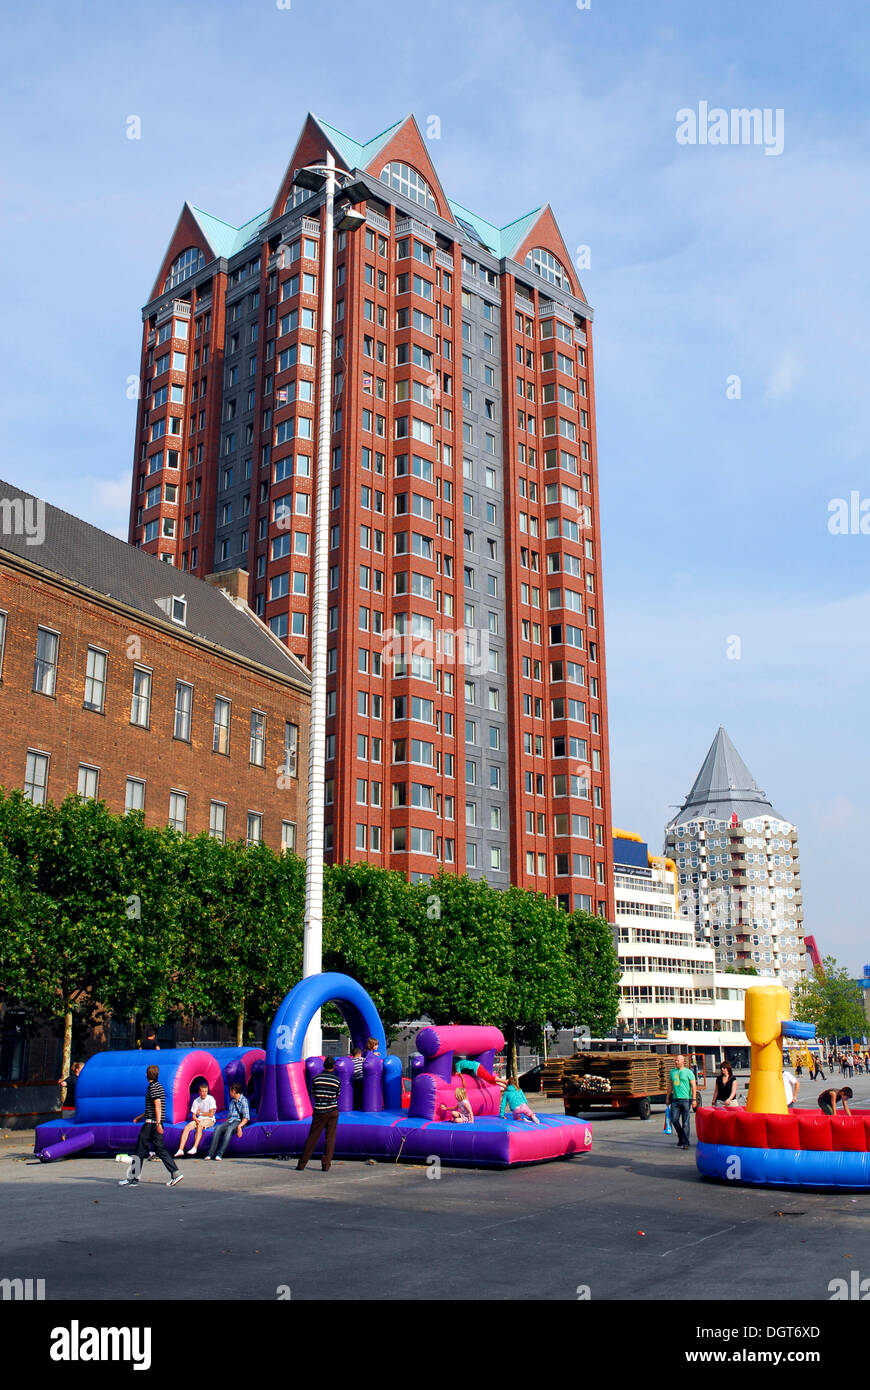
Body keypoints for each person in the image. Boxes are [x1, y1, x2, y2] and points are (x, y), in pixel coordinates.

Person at [119, 1065, 183, 1187]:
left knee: (140, 1149)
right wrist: (140, 1116)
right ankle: (175, 1173)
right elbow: (153, 1107)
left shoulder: (153, 1087)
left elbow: (157, 1105)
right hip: (154, 1121)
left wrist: (158, 1123)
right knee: (160, 1149)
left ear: (147, 1075)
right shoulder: (158, 1086)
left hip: (151, 1124)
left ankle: (133, 1179)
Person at [297, 1056, 341, 1171]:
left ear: (324, 1065)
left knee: (312, 1137)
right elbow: (337, 1095)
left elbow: (314, 1093)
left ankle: (302, 1164)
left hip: (319, 1111)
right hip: (333, 1111)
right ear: (334, 1067)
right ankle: (326, 1165)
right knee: (330, 1138)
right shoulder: (337, 1080)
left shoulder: (316, 1079)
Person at [205, 1082, 250, 1160]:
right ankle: (210, 1153)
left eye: (230, 1091)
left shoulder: (244, 1101)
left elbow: (246, 1117)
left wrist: (239, 1127)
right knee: (218, 1128)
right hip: (231, 1121)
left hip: (239, 1121)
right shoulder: (232, 1102)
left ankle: (219, 1153)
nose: (229, 1093)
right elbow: (229, 1117)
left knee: (229, 1129)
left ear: (234, 1091)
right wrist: (225, 1124)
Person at [175, 1082, 217, 1157]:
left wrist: (200, 1113)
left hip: (209, 1120)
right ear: (199, 1092)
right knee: (187, 1127)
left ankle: (195, 1147)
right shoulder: (196, 1101)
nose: (204, 1093)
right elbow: (194, 1115)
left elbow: (211, 1114)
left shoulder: (211, 1099)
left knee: (200, 1126)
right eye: (203, 1091)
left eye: (206, 1091)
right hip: (199, 1119)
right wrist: (196, 1119)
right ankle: (180, 1149)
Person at [667, 1053, 698, 1150]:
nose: (676, 1062)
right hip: (675, 1100)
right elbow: (670, 1085)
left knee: (685, 1122)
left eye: (678, 1060)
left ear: (683, 1062)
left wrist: (694, 1099)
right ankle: (681, 1136)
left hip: (686, 1099)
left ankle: (686, 1142)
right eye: (675, 1060)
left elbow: (693, 1086)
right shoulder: (673, 1072)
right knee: (674, 1119)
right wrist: (667, 1097)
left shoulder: (688, 1072)